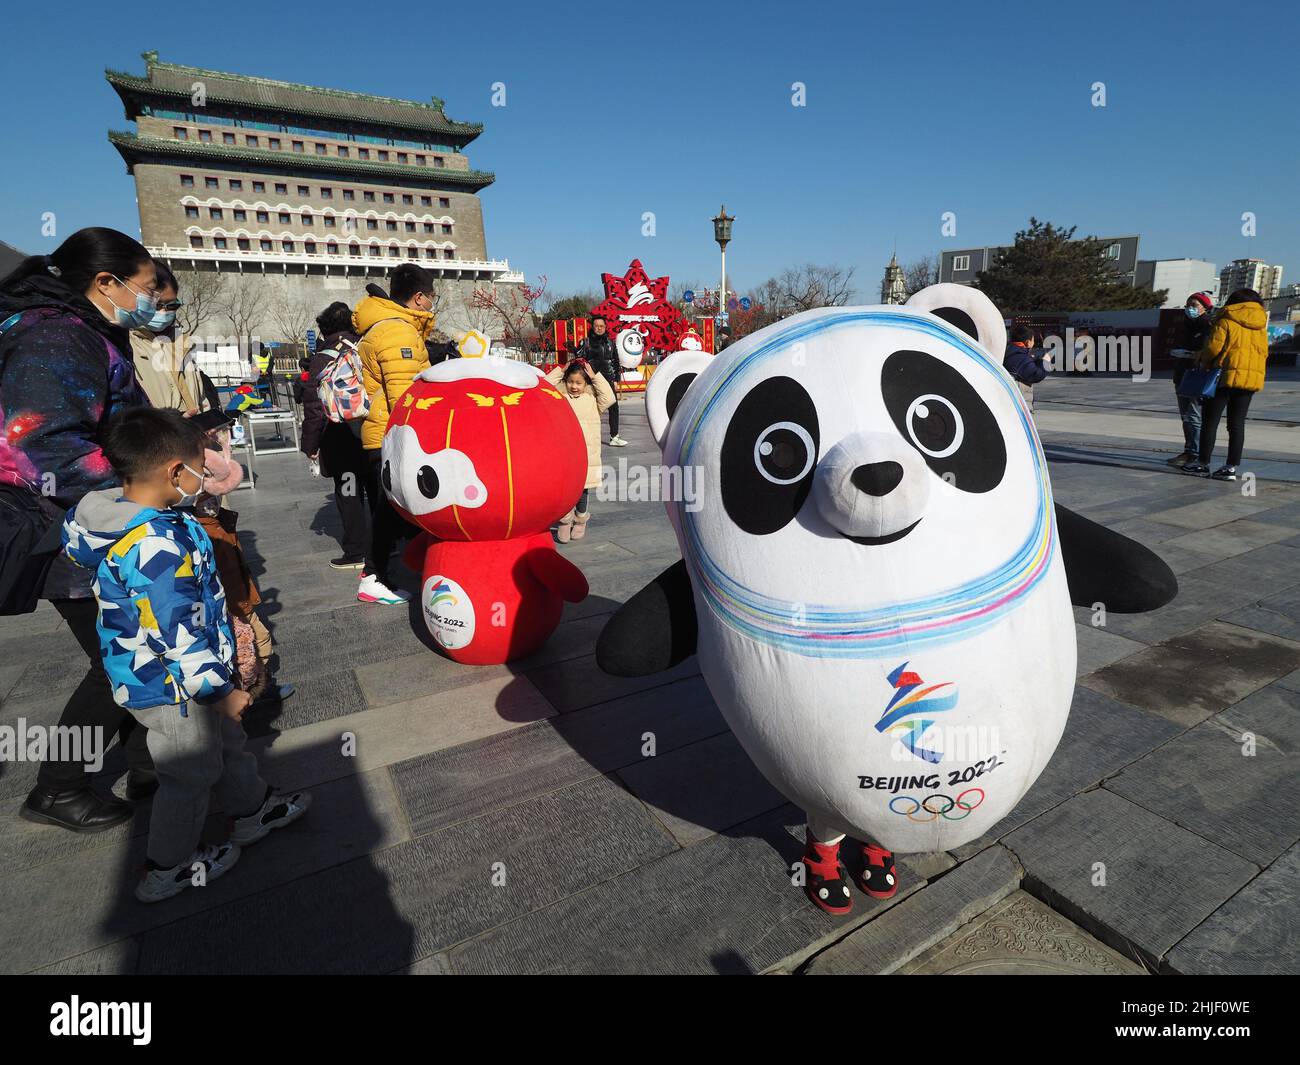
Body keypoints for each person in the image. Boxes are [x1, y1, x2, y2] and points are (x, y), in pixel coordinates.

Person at [62, 407, 311, 903]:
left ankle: (251, 809)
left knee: (224, 745)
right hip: (172, 687)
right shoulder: (153, 544)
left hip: (181, 676)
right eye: (201, 466)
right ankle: (168, 866)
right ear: (174, 472)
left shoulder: (142, 516)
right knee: (189, 773)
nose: (208, 475)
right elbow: (174, 632)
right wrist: (219, 692)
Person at [0, 227, 157, 832]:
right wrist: (142, 496)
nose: (150, 302)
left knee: (139, 650)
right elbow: (44, 446)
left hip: (100, 522)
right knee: (121, 661)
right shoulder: (57, 337)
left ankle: (148, 765)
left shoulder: (83, 332)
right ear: (105, 282)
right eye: (144, 289)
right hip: (77, 530)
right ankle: (58, 786)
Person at [353, 265, 436, 604]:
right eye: (432, 298)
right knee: (391, 509)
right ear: (419, 297)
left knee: (393, 507)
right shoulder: (397, 333)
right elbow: (406, 398)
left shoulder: (384, 327)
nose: (432, 305)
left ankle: (400, 568)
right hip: (395, 435)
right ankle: (373, 575)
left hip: (382, 434)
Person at [300, 301, 374, 569]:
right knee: (376, 491)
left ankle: (356, 551)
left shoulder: (323, 356)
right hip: (371, 429)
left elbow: (314, 408)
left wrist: (310, 444)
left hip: (340, 436)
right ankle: (385, 547)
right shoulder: (367, 346)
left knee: (350, 492)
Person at [1183, 288, 1269, 481]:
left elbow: (1214, 347)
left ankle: (1202, 463)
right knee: (1237, 424)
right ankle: (1230, 467)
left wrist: (1204, 361)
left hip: (1223, 377)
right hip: (1249, 381)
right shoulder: (1260, 324)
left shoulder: (1226, 319)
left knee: (1210, 421)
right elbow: (1263, 352)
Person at [127, 261, 216, 416]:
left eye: (172, 306)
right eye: (157, 306)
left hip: (194, 435)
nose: (164, 312)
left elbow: (200, 398)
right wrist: (172, 424)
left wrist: (210, 423)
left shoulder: (180, 341)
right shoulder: (123, 345)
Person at [546, 358, 614, 543]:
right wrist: (560, 371)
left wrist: (595, 377)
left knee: (582, 491)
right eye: (570, 382)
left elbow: (609, 397)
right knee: (566, 491)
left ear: (586, 383)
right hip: (565, 455)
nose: (574, 386)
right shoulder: (560, 399)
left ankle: (580, 520)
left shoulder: (593, 401)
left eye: (578, 383)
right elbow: (542, 388)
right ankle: (565, 521)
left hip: (586, 457)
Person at [1167, 291, 1215, 467]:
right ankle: (1189, 450)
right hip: (1182, 374)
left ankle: (1194, 453)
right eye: (1188, 305)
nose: (1190, 309)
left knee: (1193, 415)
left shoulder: (1208, 326)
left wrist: (1191, 354)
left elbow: (1208, 352)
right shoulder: (1188, 326)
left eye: (1194, 305)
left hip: (1196, 376)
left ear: (1205, 308)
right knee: (1186, 416)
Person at [573, 315, 627, 447]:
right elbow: (580, 360)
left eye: (601, 326)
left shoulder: (610, 343)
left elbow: (615, 361)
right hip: (591, 380)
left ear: (605, 327)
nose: (599, 328)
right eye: (596, 326)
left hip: (608, 379)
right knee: (590, 408)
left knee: (614, 408)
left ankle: (614, 436)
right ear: (592, 327)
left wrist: (616, 379)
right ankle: (584, 437)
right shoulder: (586, 342)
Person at [1003, 324, 1048, 411]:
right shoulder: (1020, 357)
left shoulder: (1008, 351)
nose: (1034, 343)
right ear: (1028, 342)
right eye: (1033, 340)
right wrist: (1044, 362)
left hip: (1009, 404)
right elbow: (1037, 375)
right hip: (1020, 408)